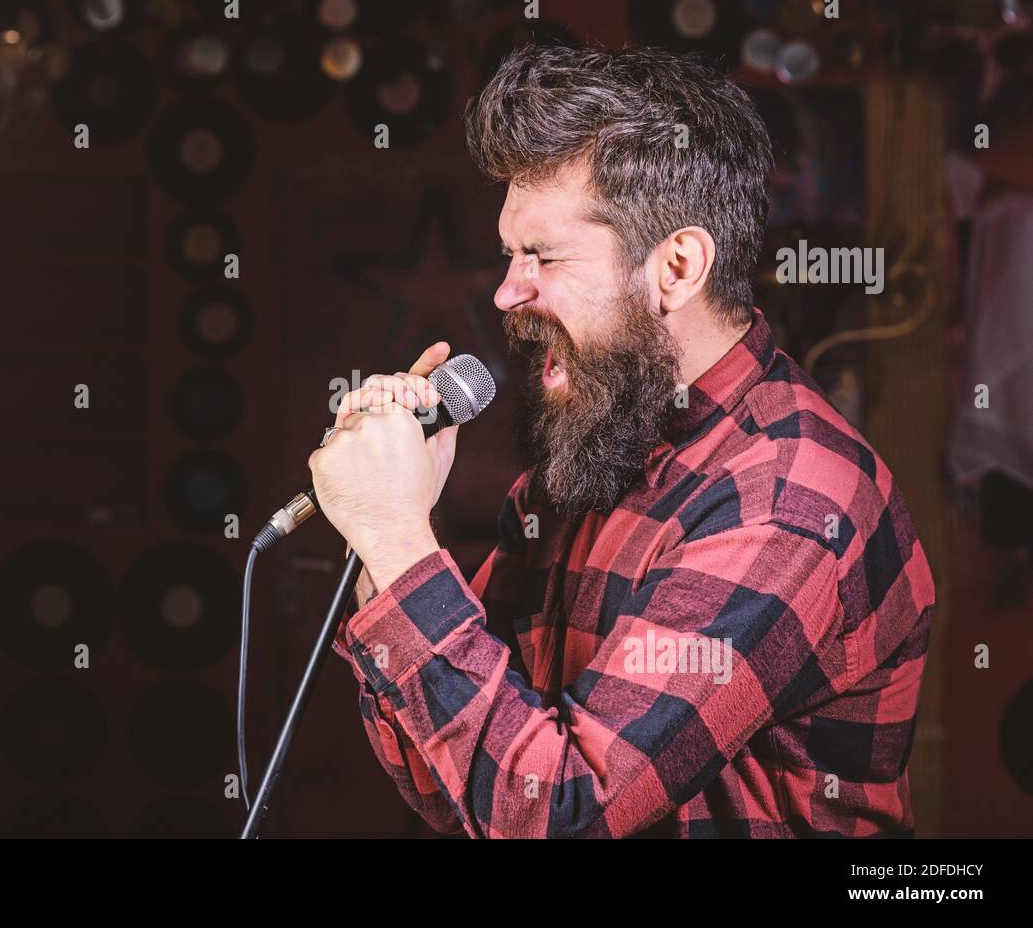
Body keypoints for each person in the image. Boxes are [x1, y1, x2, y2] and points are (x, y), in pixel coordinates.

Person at [307, 45, 935, 838]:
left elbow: (553, 812)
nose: (507, 292)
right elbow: (459, 783)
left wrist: (398, 543)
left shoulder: (788, 499)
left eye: (543, 256)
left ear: (676, 267)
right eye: (509, 253)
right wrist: (385, 542)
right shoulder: (600, 444)